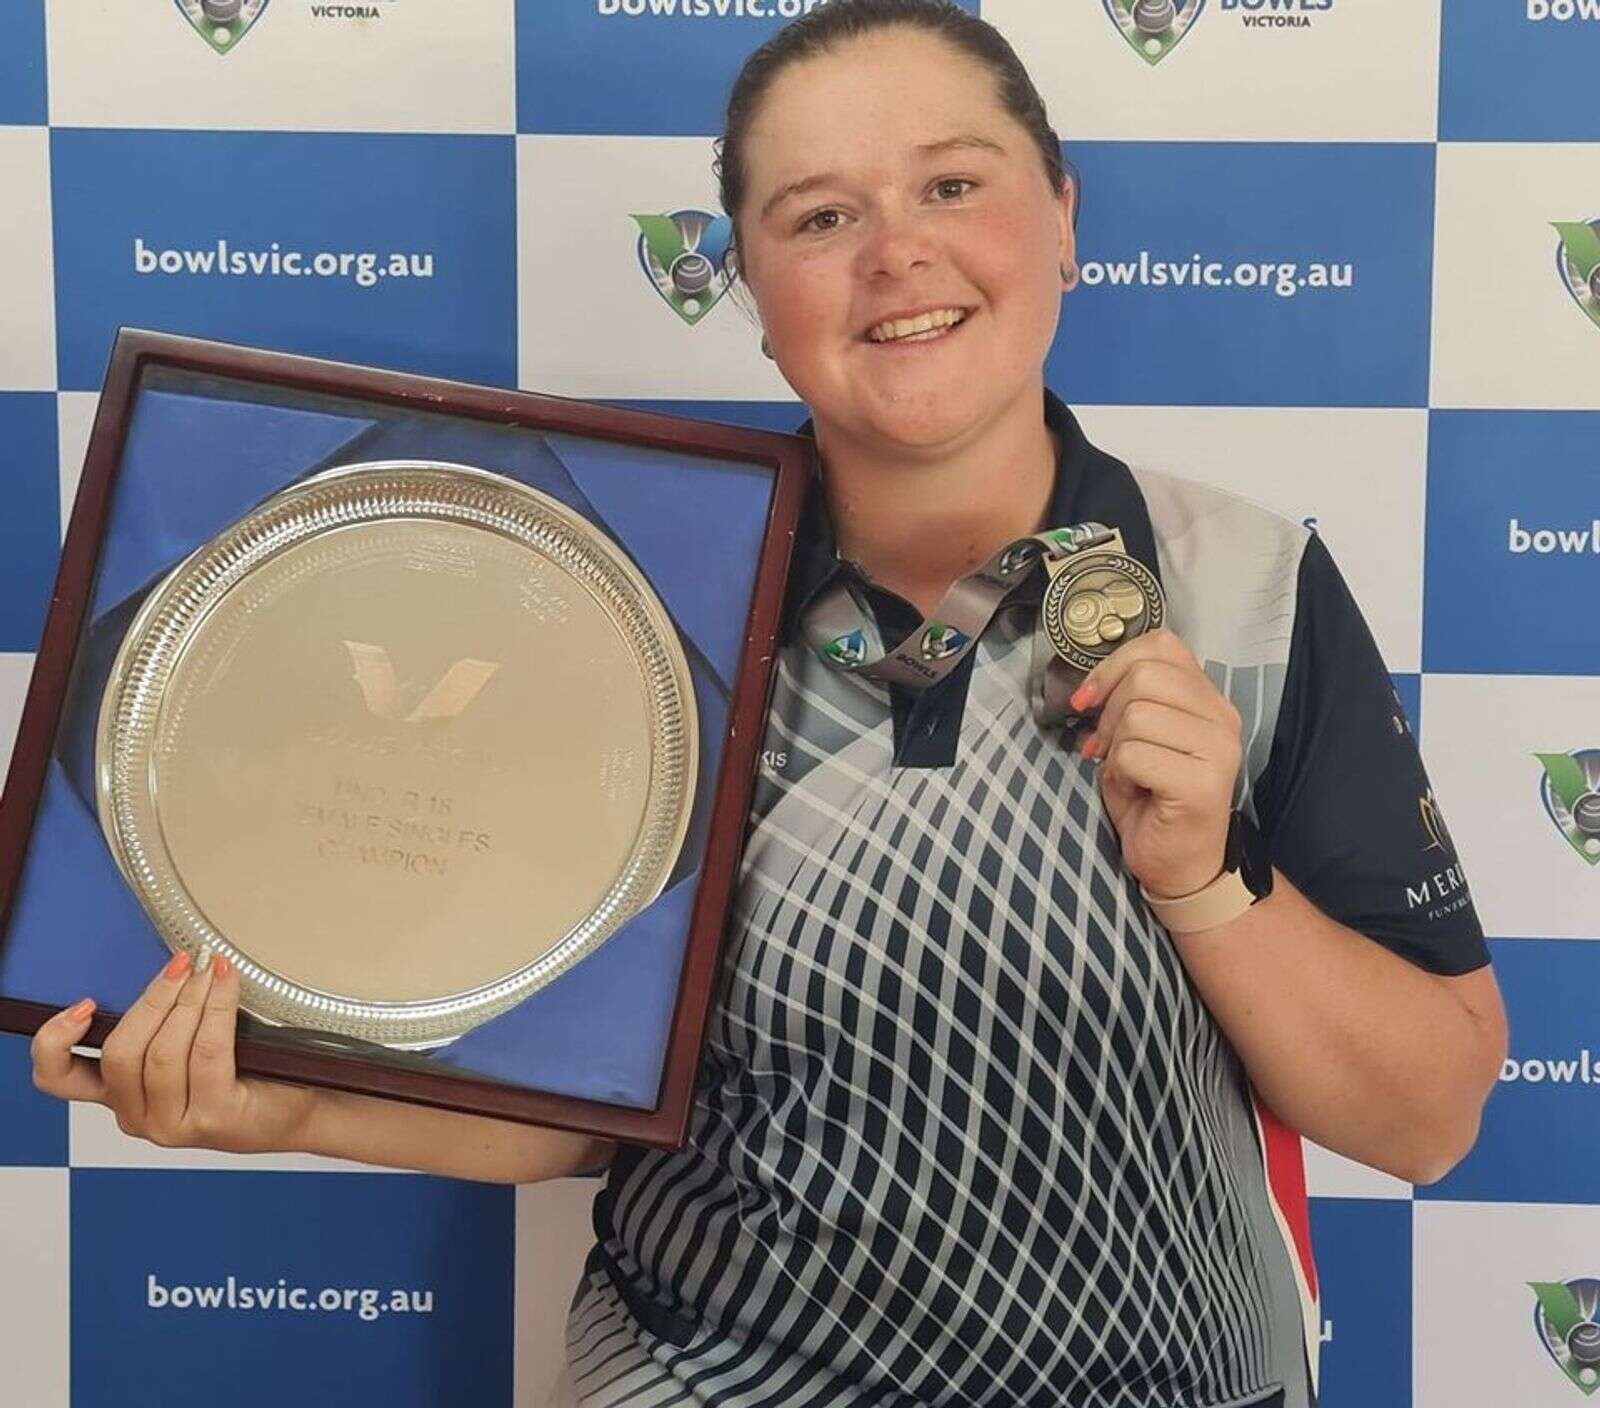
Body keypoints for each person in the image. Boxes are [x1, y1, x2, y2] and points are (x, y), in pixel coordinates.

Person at [32, 3, 1506, 1405]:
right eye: (819, 216)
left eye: (951, 183)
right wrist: (281, 1105)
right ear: (749, 289)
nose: (896, 256)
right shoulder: (634, 598)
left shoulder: (1247, 583)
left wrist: (1208, 884)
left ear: (1062, 216)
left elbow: (1427, 1115)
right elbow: (579, 1096)